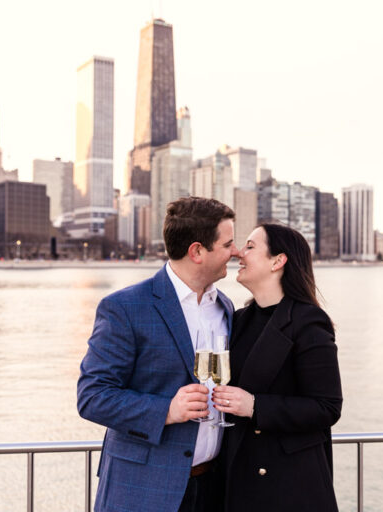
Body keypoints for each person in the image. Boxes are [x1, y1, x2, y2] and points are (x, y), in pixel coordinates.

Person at [77, 197, 238, 512]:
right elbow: (92, 396)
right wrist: (168, 410)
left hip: (212, 489)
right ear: (197, 251)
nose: (235, 252)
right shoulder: (125, 307)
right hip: (143, 491)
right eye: (227, 244)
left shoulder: (226, 307)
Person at [212, 223, 343, 512]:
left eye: (250, 246)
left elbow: (327, 407)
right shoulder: (239, 320)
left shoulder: (309, 321)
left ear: (277, 261)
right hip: (239, 481)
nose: (238, 254)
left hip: (290, 485)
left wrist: (256, 407)